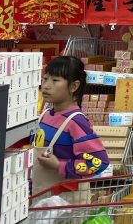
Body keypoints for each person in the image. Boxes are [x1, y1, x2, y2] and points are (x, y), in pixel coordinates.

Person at [32, 56, 109, 196]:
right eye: (45, 79)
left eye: (55, 80)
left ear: (74, 86)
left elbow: (99, 162)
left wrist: (59, 166)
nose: (46, 86)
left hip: (66, 200)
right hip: (42, 195)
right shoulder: (45, 115)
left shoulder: (76, 122)